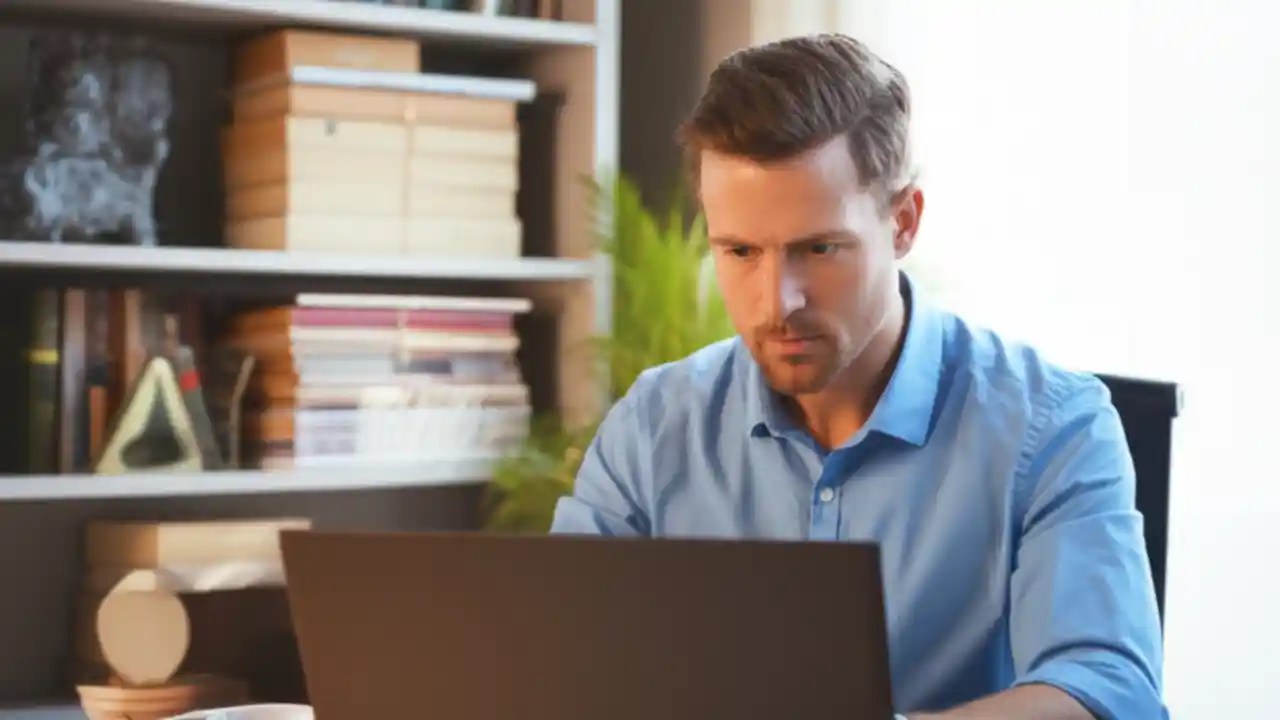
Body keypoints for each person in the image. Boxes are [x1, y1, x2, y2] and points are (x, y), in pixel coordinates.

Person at [550, 32, 1165, 720]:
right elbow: (560, 660)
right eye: (740, 250)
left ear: (903, 222)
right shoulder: (655, 424)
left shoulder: (1055, 425)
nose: (775, 301)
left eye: (819, 248)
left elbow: (1110, 691)